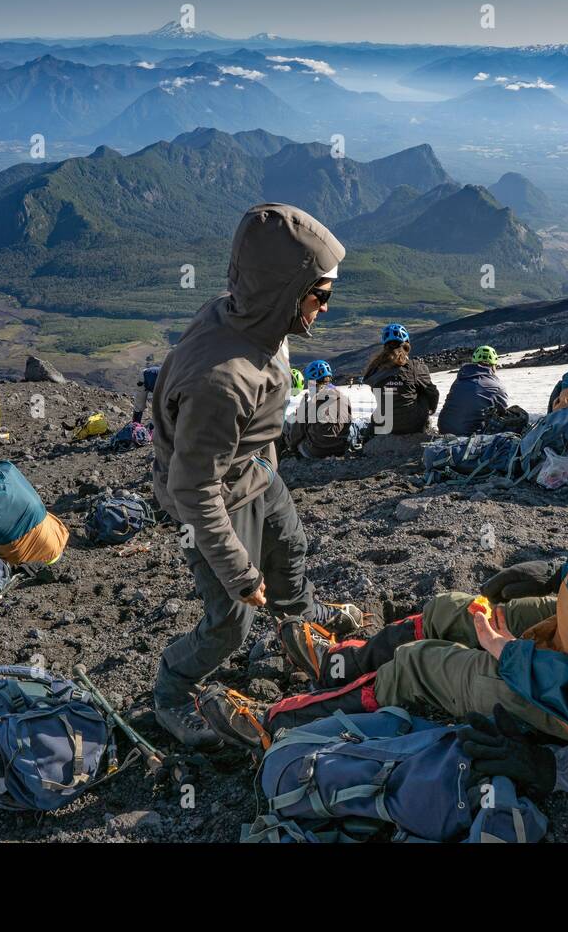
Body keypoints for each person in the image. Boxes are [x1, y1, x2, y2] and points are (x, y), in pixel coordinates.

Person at [201, 365, 568, 765]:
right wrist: (556, 577)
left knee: (424, 664)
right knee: (455, 608)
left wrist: (507, 652)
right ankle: (341, 666)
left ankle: (280, 727)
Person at [149, 203, 363, 748]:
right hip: (214, 500)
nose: (326, 308)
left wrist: (267, 465)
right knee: (231, 624)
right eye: (322, 295)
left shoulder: (255, 318)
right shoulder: (223, 383)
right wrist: (241, 574)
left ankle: (300, 621)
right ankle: (171, 690)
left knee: (290, 544)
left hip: (256, 473)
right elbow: (192, 489)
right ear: (287, 291)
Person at [362, 323, 440, 434]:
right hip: (414, 425)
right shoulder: (414, 366)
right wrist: (431, 410)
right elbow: (432, 393)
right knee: (424, 390)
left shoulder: (374, 369)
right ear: (406, 344)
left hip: (385, 425)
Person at [282, 359, 353, 458]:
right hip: (340, 448)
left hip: (315, 451)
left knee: (288, 424)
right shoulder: (344, 399)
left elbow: (296, 434)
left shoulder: (312, 403)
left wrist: (292, 447)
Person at [437, 345, 509, 437]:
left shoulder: (460, 379)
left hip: (444, 429)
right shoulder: (497, 387)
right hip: (470, 435)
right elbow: (502, 413)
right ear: (494, 365)